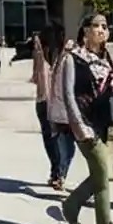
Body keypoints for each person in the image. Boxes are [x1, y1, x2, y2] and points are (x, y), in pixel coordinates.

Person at [53, 13, 113, 224]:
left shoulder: (108, 60)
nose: (100, 30)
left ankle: (71, 204)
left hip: (104, 122)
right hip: (83, 123)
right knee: (102, 173)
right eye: (95, 26)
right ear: (85, 31)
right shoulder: (72, 59)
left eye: (104, 26)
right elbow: (68, 94)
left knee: (100, 173)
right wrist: (78, 125)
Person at [32, 22, 74, 190]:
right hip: (62, 103)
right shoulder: (67, 54)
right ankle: (60, 173)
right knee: (66, 141)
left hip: (43, 101)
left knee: (50, 140)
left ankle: (56, 172)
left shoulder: (40, 53)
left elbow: (35, 77)